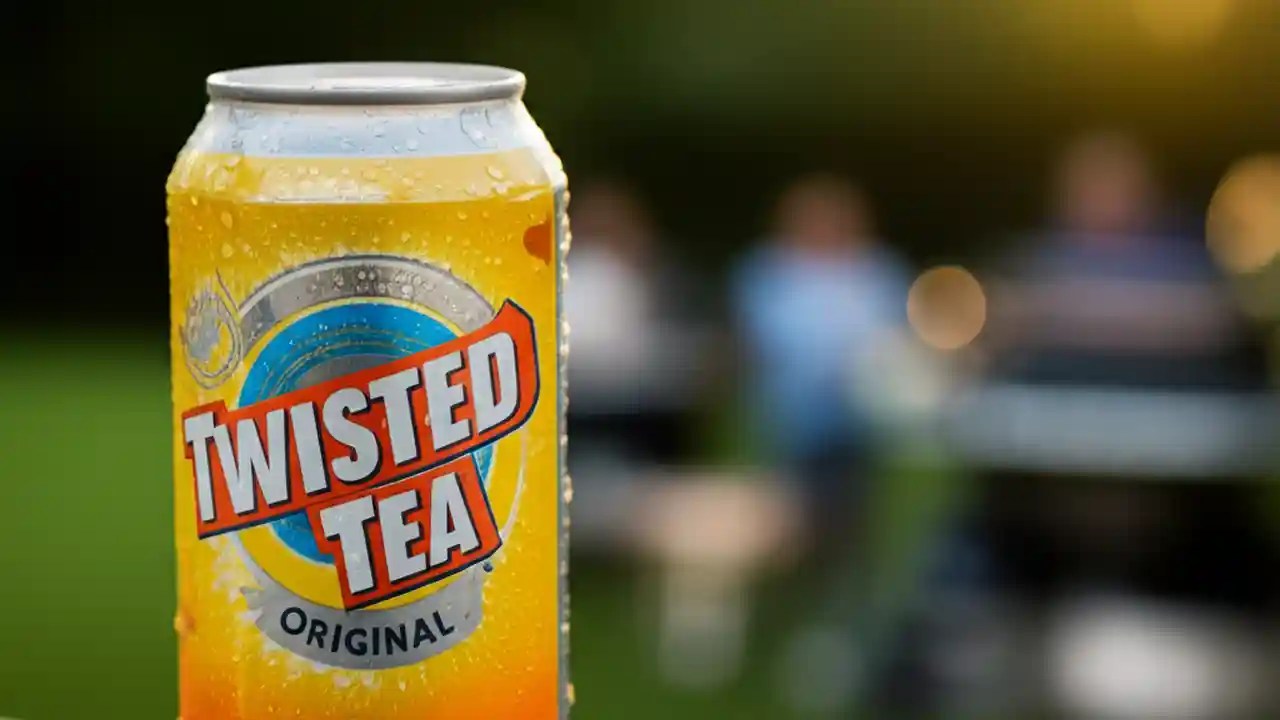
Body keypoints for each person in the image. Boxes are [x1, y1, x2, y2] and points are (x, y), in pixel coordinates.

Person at [732, 173, 910, 553]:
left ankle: (843, 580)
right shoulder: (766, 272)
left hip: (862, 416)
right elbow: (757, 343)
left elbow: (895, 343)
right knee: (784, 520)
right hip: (790, 415)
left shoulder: (878, 272)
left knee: (851, 520)